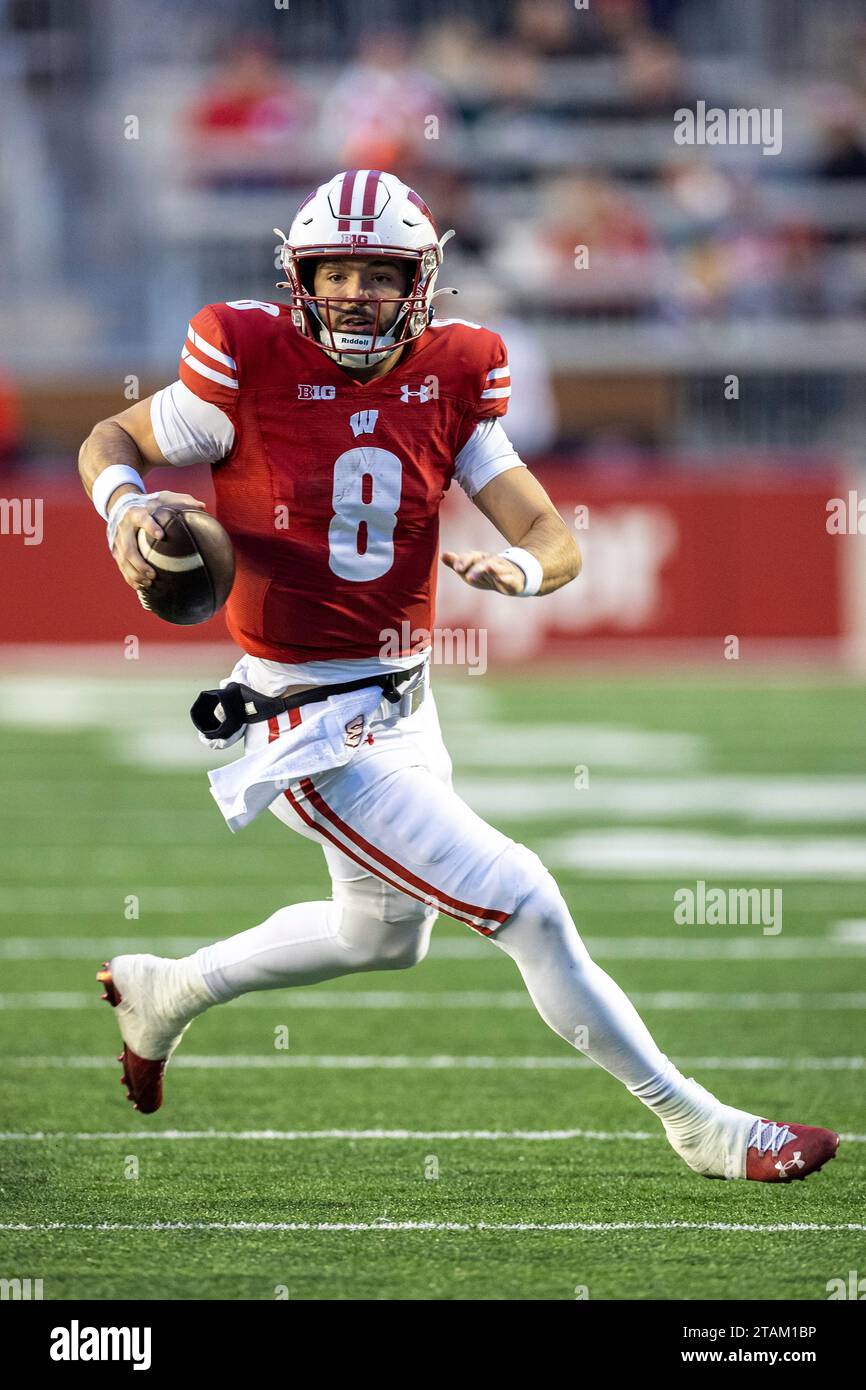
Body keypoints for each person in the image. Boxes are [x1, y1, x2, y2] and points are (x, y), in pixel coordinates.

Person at [78, 169, 838, 1185]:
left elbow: (550, 534)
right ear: (298, 276)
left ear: (420, 281)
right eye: (333, 271)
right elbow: (108, 438)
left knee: (380, 937)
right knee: (524, 899)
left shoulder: (455, 372)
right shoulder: (244, 354)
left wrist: (521, 568)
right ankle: (696, 1121)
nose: (351, 292)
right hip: (306, 723)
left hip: (403, 707)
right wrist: (126, 507)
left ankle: (167, 990)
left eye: (375, 273)